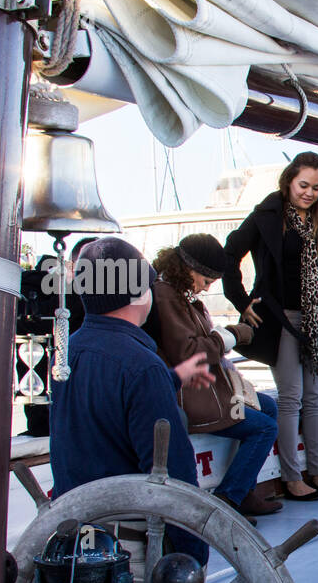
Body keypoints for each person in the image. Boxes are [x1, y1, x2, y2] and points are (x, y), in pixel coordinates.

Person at [49, 236, 215, 565]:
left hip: (71, 540)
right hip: (125, 548)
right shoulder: (142, 368)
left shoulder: (66, 353)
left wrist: (172, 376)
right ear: (140, 293)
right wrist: (192, 555)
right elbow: (172, 476)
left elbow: (103, 404)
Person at [223, 151, 318, 500]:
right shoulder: (267, 217)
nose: (309, 193)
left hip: (315, 319)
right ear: (288, 181)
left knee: (314, 398)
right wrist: (241, 301)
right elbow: (229, 254)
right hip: (281, 319)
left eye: (316, 187)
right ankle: (292, 478)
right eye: (303, 185)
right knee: (290, 398)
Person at [145, 233, 284, 518]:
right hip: (190, 393)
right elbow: (188, 352)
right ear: (187, 270)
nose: (206, 289)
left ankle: (244, 490)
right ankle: (229, 500)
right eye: (206, 281)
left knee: (268, 406)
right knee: (264, 427)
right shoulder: (167, 296)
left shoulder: (178, 295)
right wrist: (231, 336)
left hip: (206, 388)